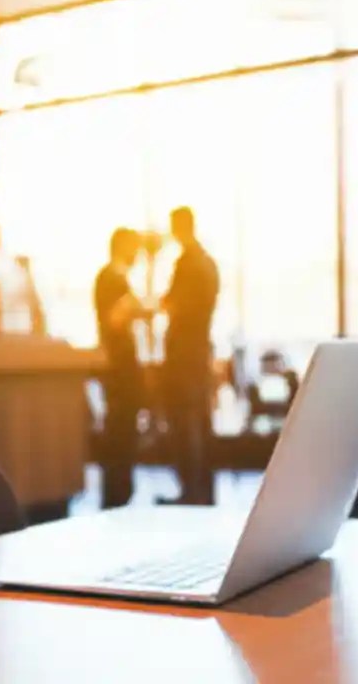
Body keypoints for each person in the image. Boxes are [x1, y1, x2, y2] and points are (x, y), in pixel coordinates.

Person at [160, 207, 220, 505]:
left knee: (185, 425)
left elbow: (174, 305)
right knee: (200, 423)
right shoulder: (208, 263)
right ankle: (203, 492)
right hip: (199, 353)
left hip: (184, 357)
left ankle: (190, 492)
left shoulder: (187, 264)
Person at [94, 228, 149, 508]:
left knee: (124, 431)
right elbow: (115, 319)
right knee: (119, 432)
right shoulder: (111, 279)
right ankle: (117, 494)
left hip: (122, 370)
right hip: (119, 371)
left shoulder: (115, 278)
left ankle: (120, 491)